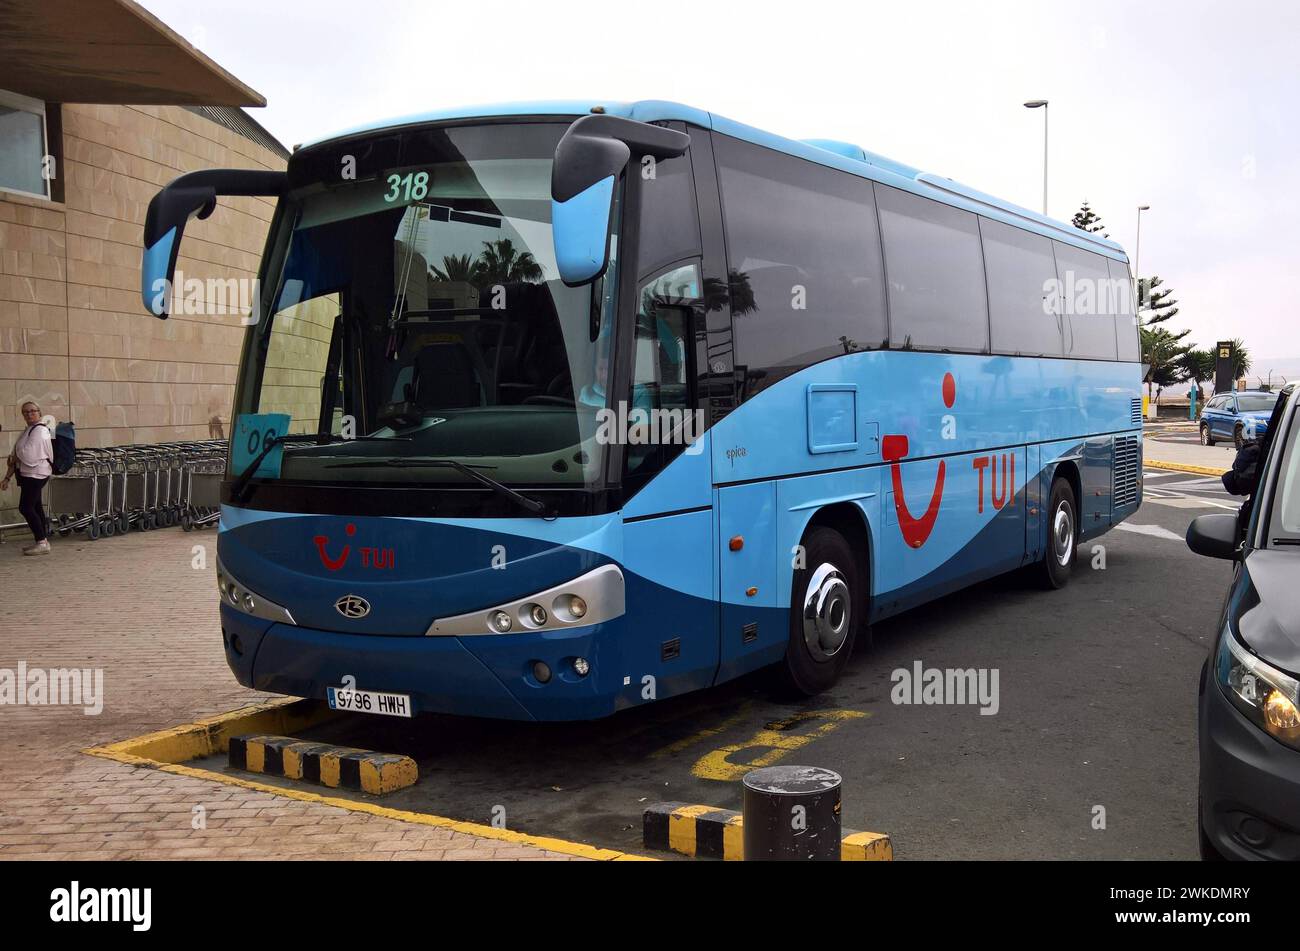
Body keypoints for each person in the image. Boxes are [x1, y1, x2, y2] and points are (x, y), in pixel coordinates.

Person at [2, 401, 54, 554]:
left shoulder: (40, 431)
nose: (29, 414)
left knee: (25, 507)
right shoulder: (28, 430)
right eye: (25, 412)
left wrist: (15, 458)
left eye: (32, 411)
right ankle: (43, 540)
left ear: (39, 412)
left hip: (36, 474)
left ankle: (42, 542)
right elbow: (16, 455)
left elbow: (29, 456)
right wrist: (7, 478)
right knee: (35, 506)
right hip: (29, 474)